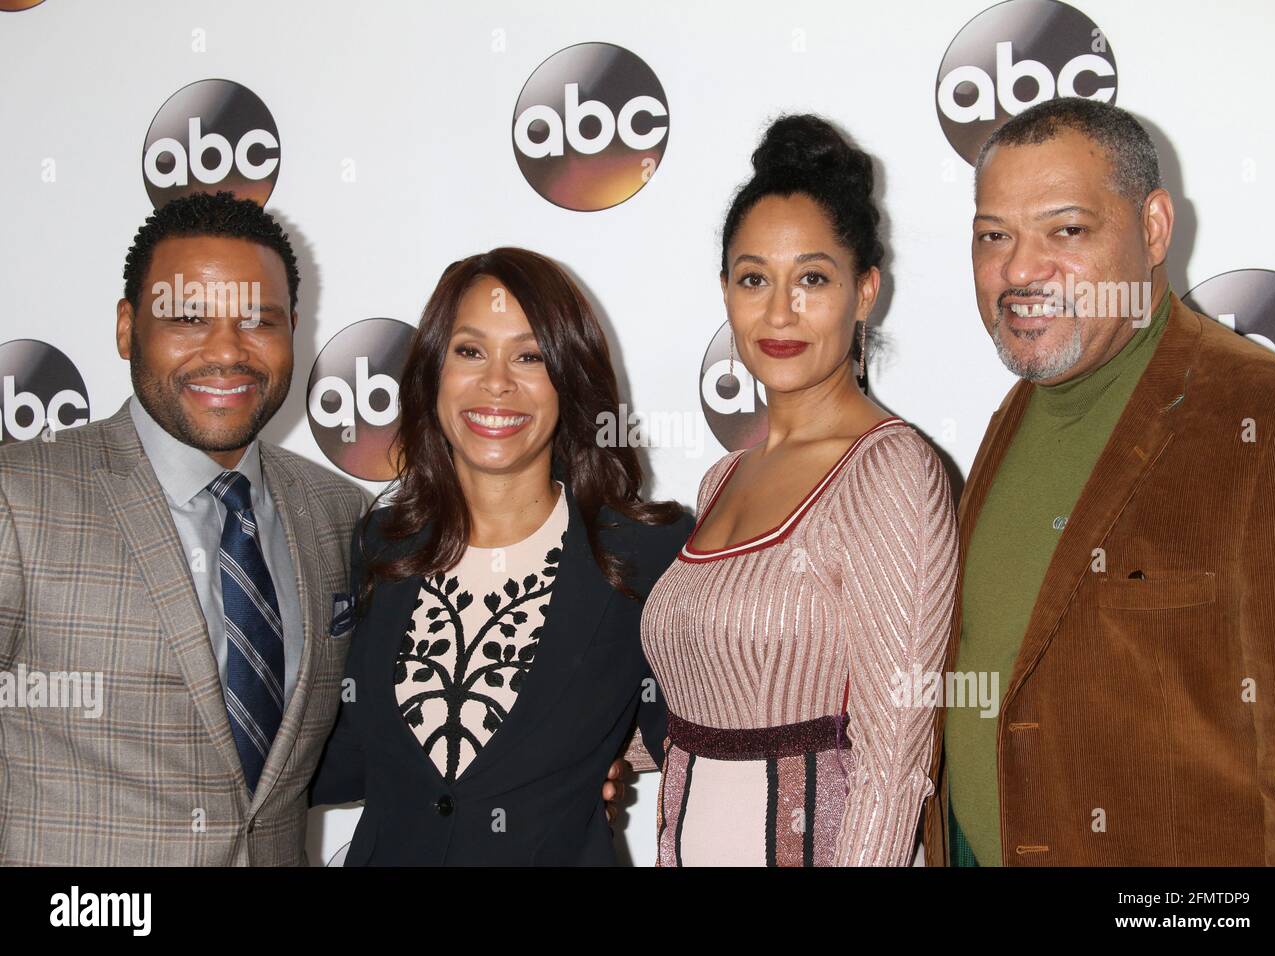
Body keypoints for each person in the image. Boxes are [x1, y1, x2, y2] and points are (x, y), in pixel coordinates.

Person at [929, 97, 1275, 866]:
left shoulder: (1271, 420)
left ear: (1154, 227)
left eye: (1066, 230)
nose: (1020, 270)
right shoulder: (1016, 413)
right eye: (994, 236)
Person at [0, 191, 370, 865]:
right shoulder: (19, 500)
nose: (226, 352)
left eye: (258, 320)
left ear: (294, 329)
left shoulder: (335, 512)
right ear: (126, 328)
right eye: (188, 317)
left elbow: (370, 733)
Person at [641, 115, 959, 866]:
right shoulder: (723, 476)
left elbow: (896, 760)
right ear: (725, 291)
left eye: (812, 278)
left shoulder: (891, 471)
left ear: (866, 291)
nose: (779, 312)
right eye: (754, 278)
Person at [309, 247, 691, 865]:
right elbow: (346, 757)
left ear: (567, 377)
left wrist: (601, 759)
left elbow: (697, 741)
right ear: (433, 370)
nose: (496, 382)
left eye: (530, 356)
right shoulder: (376, 546)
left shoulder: (642, 553)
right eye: (469, 351)